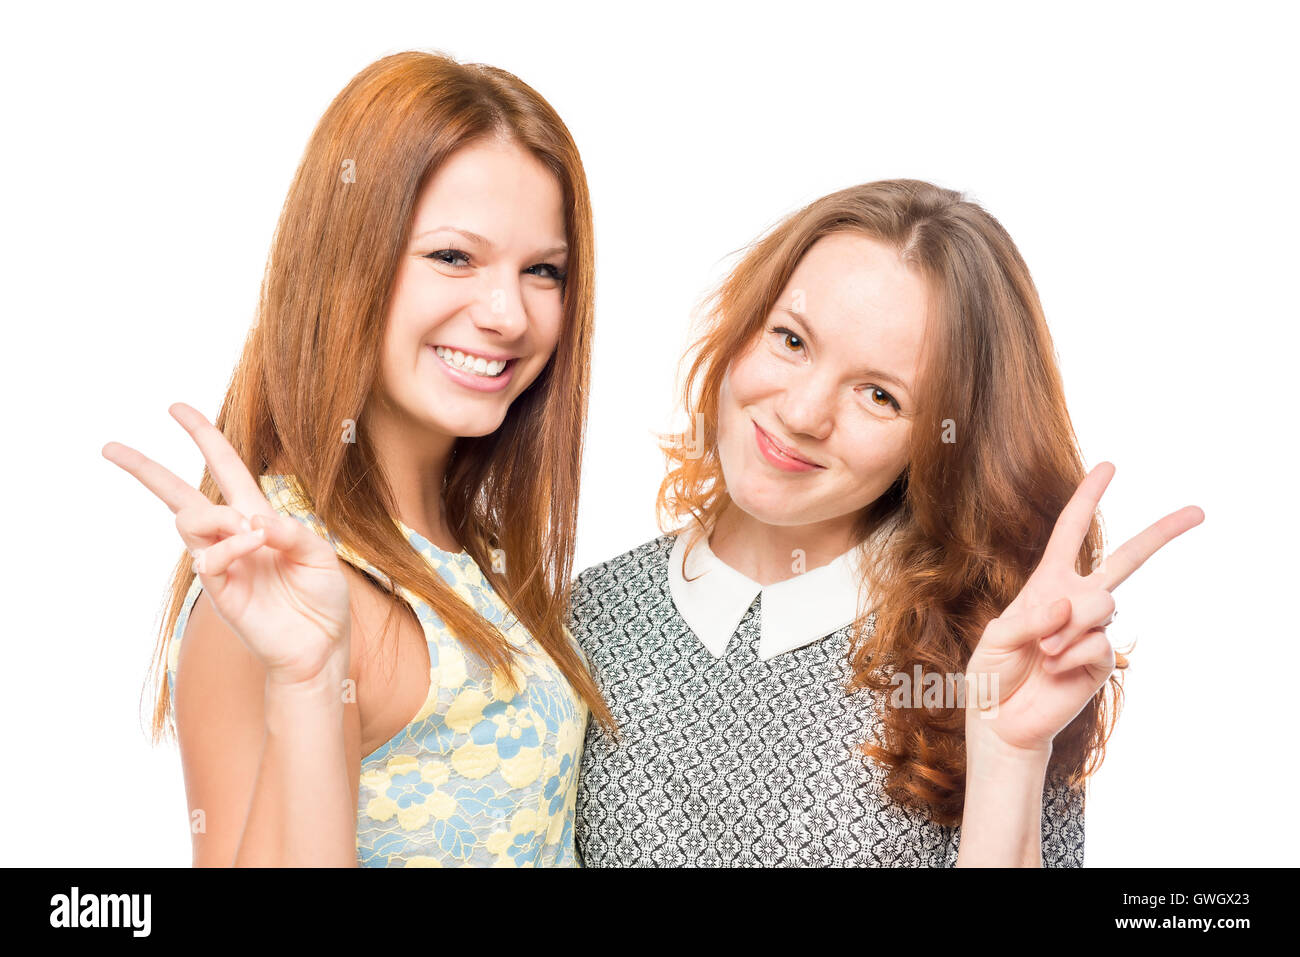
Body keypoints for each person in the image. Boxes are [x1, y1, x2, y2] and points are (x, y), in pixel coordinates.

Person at [569, 179, 1203, 867]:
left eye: (879, 394)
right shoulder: (587, 615)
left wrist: (1010, 756)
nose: (803, 412)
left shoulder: (990, 652)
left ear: (937, 440)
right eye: (790, 339)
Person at [102, 50, 613, 867]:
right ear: (345, 263)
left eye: (543, 270)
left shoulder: (469, 550)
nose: (507, 312)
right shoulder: (275, 585)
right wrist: (308, 681)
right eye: (454, 256)